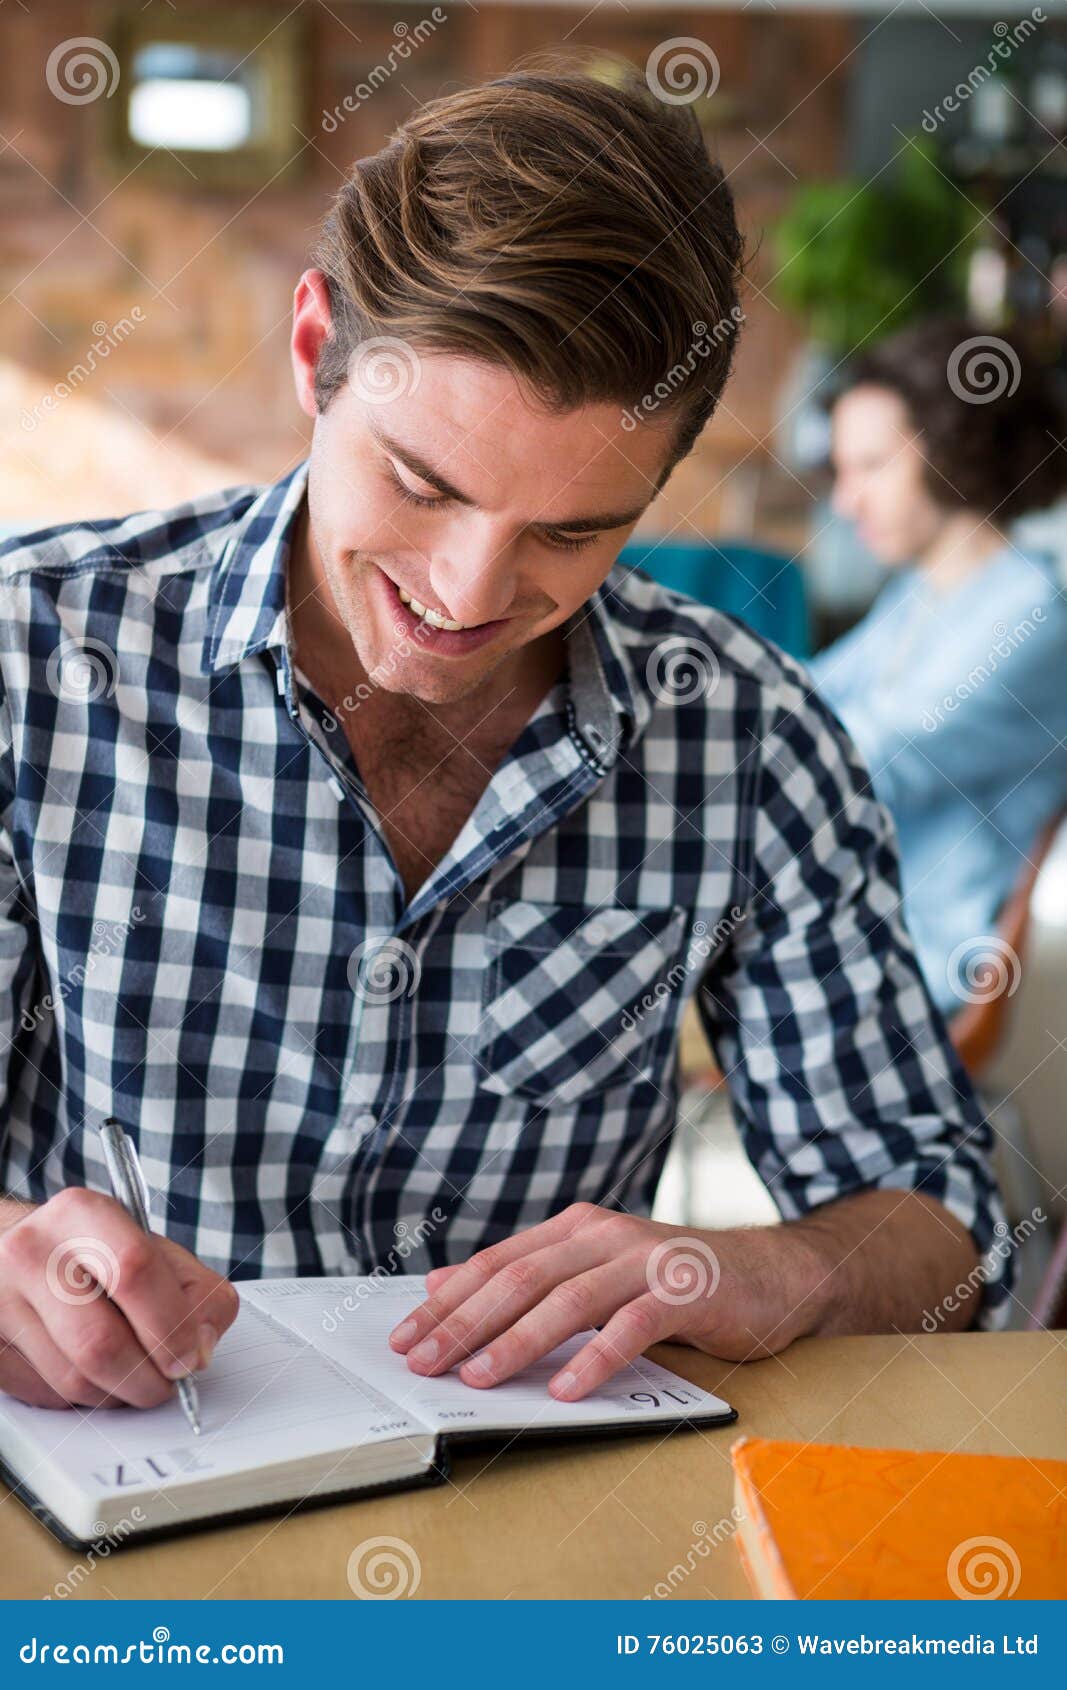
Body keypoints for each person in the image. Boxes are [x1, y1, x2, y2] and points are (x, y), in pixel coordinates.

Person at [0, 61, 1007, 1420]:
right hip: (99, 1473)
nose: (466, 596)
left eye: (570, 531)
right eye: (421, 485)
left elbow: (939, 1218)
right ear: (313, 353)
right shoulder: (34, 661)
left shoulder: (748, 736)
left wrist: (781, 1271)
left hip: (535, 1516)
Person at [811, 320, 1067, 1019]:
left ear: (951, 451)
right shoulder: (924, 593)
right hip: (848, 942)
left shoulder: (1033, 618)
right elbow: (809, 692)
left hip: (911, 971)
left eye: (869, 466)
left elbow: (866, 755)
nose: (844, 501)